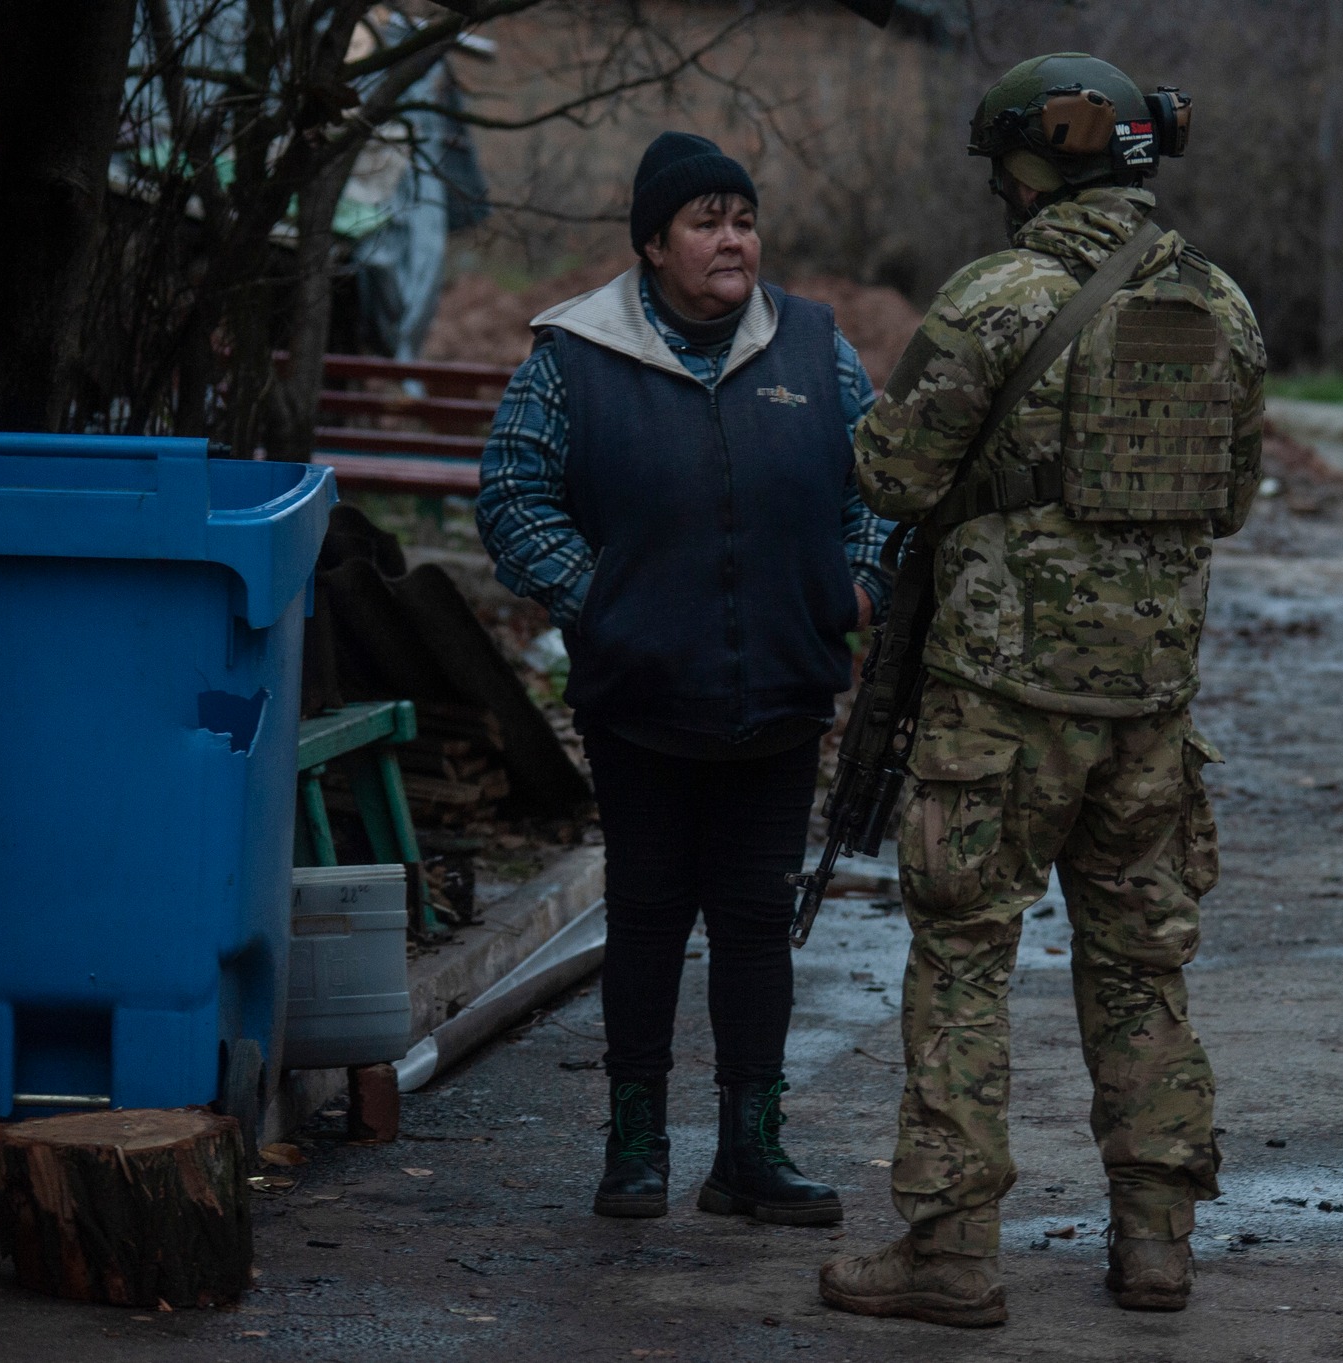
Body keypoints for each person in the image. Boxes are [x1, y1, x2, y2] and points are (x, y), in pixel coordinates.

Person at [816, 53, 1266, 1325]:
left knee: (962, 954)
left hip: (997, 709)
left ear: (1033, 162)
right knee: (1141, 969)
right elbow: (1226, 502)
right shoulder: (1220, 305)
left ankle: (952, 1251)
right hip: (1151, 709)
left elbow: (892, 477)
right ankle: (1157, 1246)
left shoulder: (996, 297)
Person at [477, 131, 890, 1226]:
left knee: (756, 918)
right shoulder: (574, 355)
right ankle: (635, 1146)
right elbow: (511, 497)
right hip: (642, 703)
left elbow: (881, 484)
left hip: (779, 699)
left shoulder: (809, 345)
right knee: (648, 913)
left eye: (742, 219)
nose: (732, 239)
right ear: (653, 244)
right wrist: (598, 602)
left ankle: (749, 1151)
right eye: (705, 221)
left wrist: (856, 586)